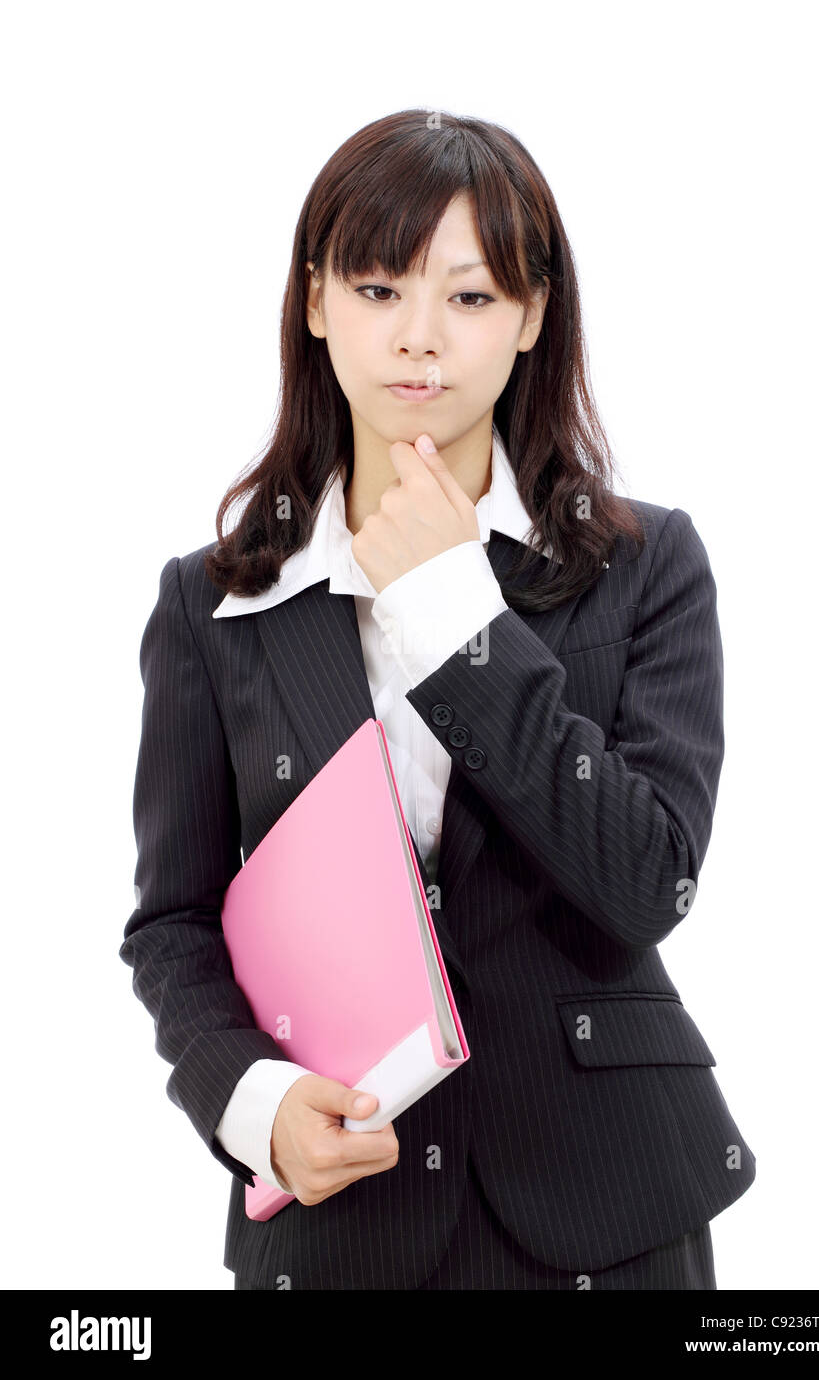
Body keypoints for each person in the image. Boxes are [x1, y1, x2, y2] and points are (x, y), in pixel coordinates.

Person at [120, 108, 756, 1290]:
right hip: (341, 1210)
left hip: (604, 1207)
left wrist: (456, 614)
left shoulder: (649, 563)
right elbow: (173, 920)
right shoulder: (214, 605)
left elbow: (647, 878)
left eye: (468, 298)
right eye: (376, 289)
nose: (420, 340)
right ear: (315, 303)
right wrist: (255, 1101)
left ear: (530, 316)